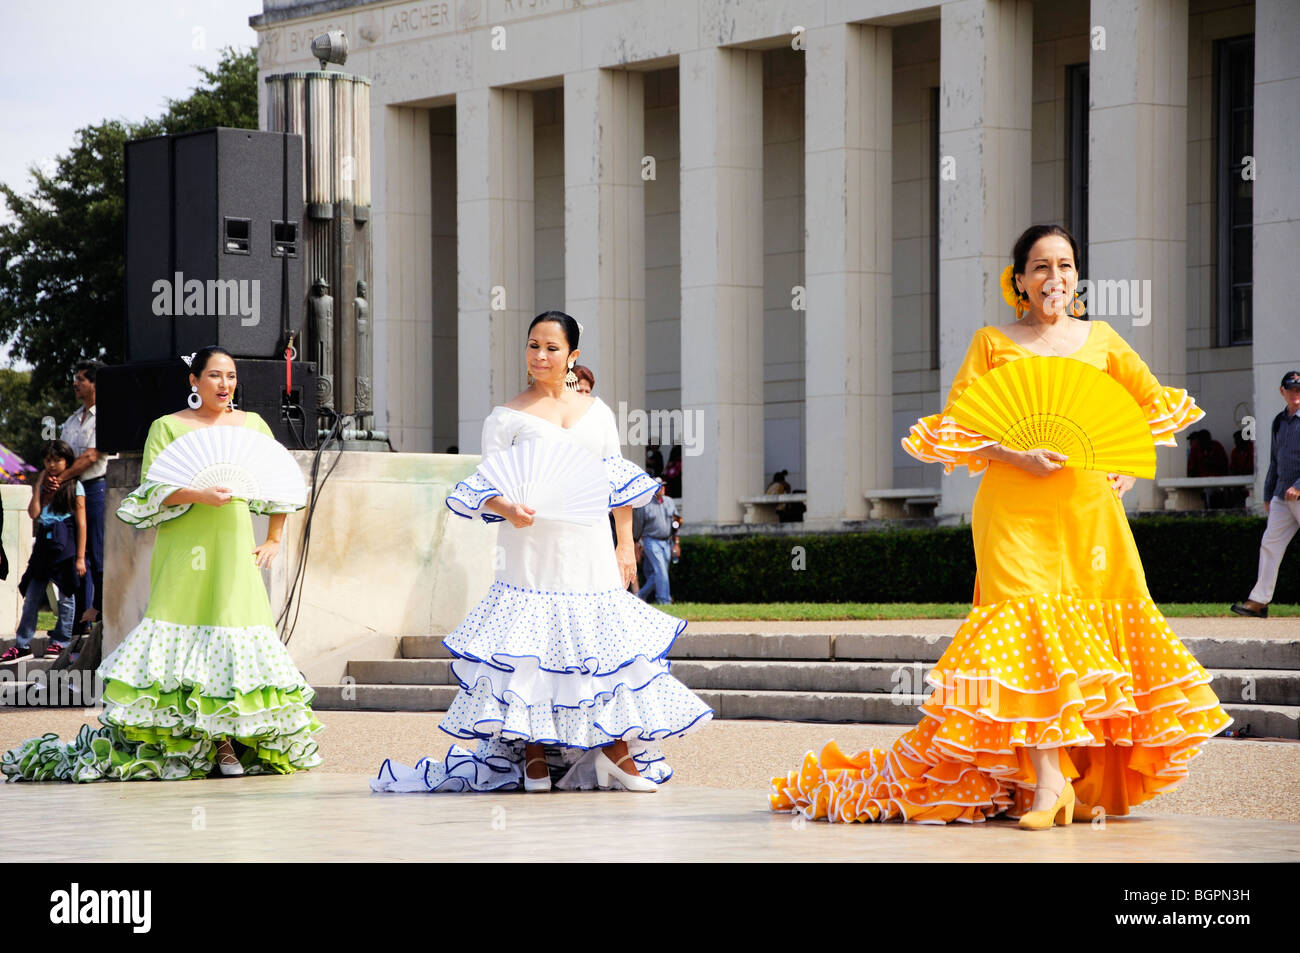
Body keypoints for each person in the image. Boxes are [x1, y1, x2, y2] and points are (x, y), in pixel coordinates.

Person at [770, 224, 1231, 828]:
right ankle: (1046, 782)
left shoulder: (1103, 340)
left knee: (1087, 645)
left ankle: (1081, 777)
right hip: (1013, 509)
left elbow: (1152, 407)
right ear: (1019, 281)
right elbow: (962, 425)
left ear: (1076, 276)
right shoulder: (993, 342)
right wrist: (1017, 454)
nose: (1054, 279)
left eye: (1064, 266)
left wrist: (1126, 467)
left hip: (1090, 514)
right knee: (1023, 637)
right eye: (1040, 267)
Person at [371, 311, 711, 795]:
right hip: (529, 546)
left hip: (588, 544)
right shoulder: (506, 417)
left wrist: (623, 545)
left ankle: (615, 752)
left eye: (552, 348)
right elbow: (485, 486)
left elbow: (616, 485)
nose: (540, 356)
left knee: (597, 649)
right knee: (530, 650)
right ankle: (532, 753)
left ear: (573, 355)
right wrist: (508, 508)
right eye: (533, 345)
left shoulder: (599, 414)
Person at [1, 346, 321, 781]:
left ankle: (230, 742)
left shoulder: (253, 426)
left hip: (234, 546)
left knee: (232, 634)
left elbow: (277, 480)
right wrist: (198, 494)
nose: (224, 384)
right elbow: (153, 492)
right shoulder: (167, 428)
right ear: (194, 380)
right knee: (184, 635)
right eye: (214, 376)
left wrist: (274, 539)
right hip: (183, 545)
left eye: (230, 376)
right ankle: (199, 744)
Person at [1, 441, 86, 662]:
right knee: (32, 595)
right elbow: (34, 513)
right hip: (43, 546)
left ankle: (60, 642)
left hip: (65, 545)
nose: (52, 464)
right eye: (48, 460)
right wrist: (40, 483)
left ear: (67, 461)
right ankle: (22, 644)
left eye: (57, 459)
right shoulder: (44, 486)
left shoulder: (75, 487)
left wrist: (79, 558)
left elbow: (82, 524)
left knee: (66, 596)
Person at [1231, 370, 1300, 619]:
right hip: (1283, 494)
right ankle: (1259, 601)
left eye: (1299, 390)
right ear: (1282, 392)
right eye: (1291, 390)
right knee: (1270, 544)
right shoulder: (1279, 421)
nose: (1296, 394)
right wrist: (1269, 493)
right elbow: (1275, 459)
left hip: (1299, 492)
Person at [56, 361, 107, 636]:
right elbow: (61, 455)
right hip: (71, 491)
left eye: (80, 379)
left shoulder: (107, 416)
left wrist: (61, 478)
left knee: (97, 556)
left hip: (96, 489)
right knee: (77, 557)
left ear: (95, 385)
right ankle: (81, 623)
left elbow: (90, 456)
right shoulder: (72, 419)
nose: (75, 383)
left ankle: (100, 617)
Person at [636, 478, 677, 605]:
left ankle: (639, 595)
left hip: (667, 542)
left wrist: (677, 542)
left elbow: (676, 523)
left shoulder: (669, 502)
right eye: (659, 486)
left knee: (658, 573)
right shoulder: (645, 505)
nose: (662, 488)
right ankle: (664, 600)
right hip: (651, 541)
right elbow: (639, 526)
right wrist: (637, 544)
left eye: (663, 486)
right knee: (661, 571)